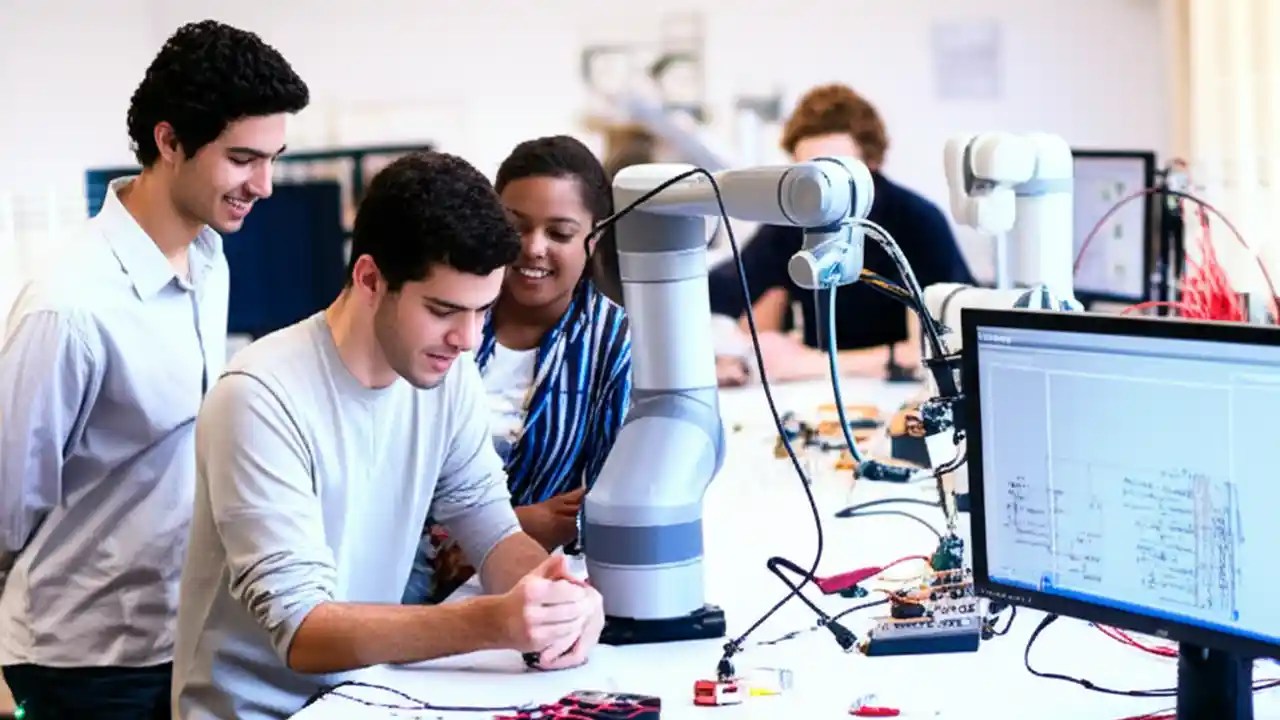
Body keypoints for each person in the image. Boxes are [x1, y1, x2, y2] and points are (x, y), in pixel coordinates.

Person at [172, 151, 606, 720]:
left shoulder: (444, 378)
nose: (468, 339)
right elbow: (303, 631)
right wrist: (492, 622)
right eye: (444, 309)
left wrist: (561, 601)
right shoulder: (259, 396)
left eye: (482, 311)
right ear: (371, 278)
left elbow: (491, 529)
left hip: (368, 695)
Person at [0, 20, 308, 720]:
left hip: (185, 635)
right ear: (169, 142)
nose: (264, 184)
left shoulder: (208, 259)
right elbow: (3, 507)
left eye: (273, 158)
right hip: (79, 664)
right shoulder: (67, 308)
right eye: (242, 159)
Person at [402, 135, 632, 604]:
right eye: (516, 227)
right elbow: (388, 465)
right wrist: (522, 522)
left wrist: (494, 536)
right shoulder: (438, 313)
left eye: (560, 234)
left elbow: (611, 507)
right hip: (398, 568)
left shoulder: (614, 342)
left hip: (521, 587)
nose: (532, 248)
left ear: (596, 237)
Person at [708, 83, 973, 385]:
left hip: (902, 395)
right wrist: (729, 359)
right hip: (818, 396)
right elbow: (717, 293)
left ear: (870, 163)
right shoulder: (791, 226)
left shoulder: (917, 221)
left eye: (836, 172)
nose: (823, 191)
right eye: (810, 173)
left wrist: (811, 363)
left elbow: (945, 348)